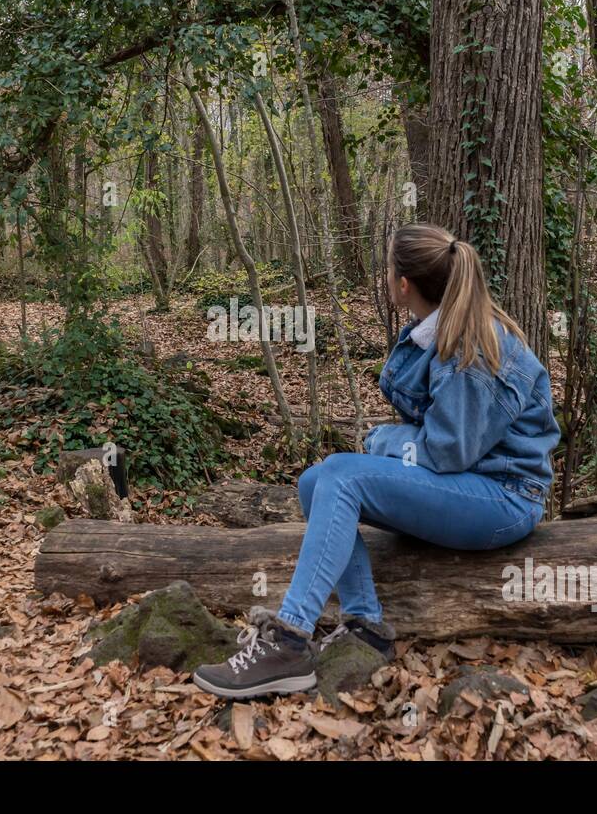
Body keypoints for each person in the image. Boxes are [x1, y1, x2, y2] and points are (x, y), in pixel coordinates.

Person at [192, 222, 561, 699]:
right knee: (315, 480)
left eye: (388, 268)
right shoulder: (439, 329)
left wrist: (386, 440)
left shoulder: (473, 346)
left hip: (505, 497)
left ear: (403, 284)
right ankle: (366, 623)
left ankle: (288, 641)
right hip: (472, 482)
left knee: (342, 475)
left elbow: (447, 452)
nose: (385, 275)